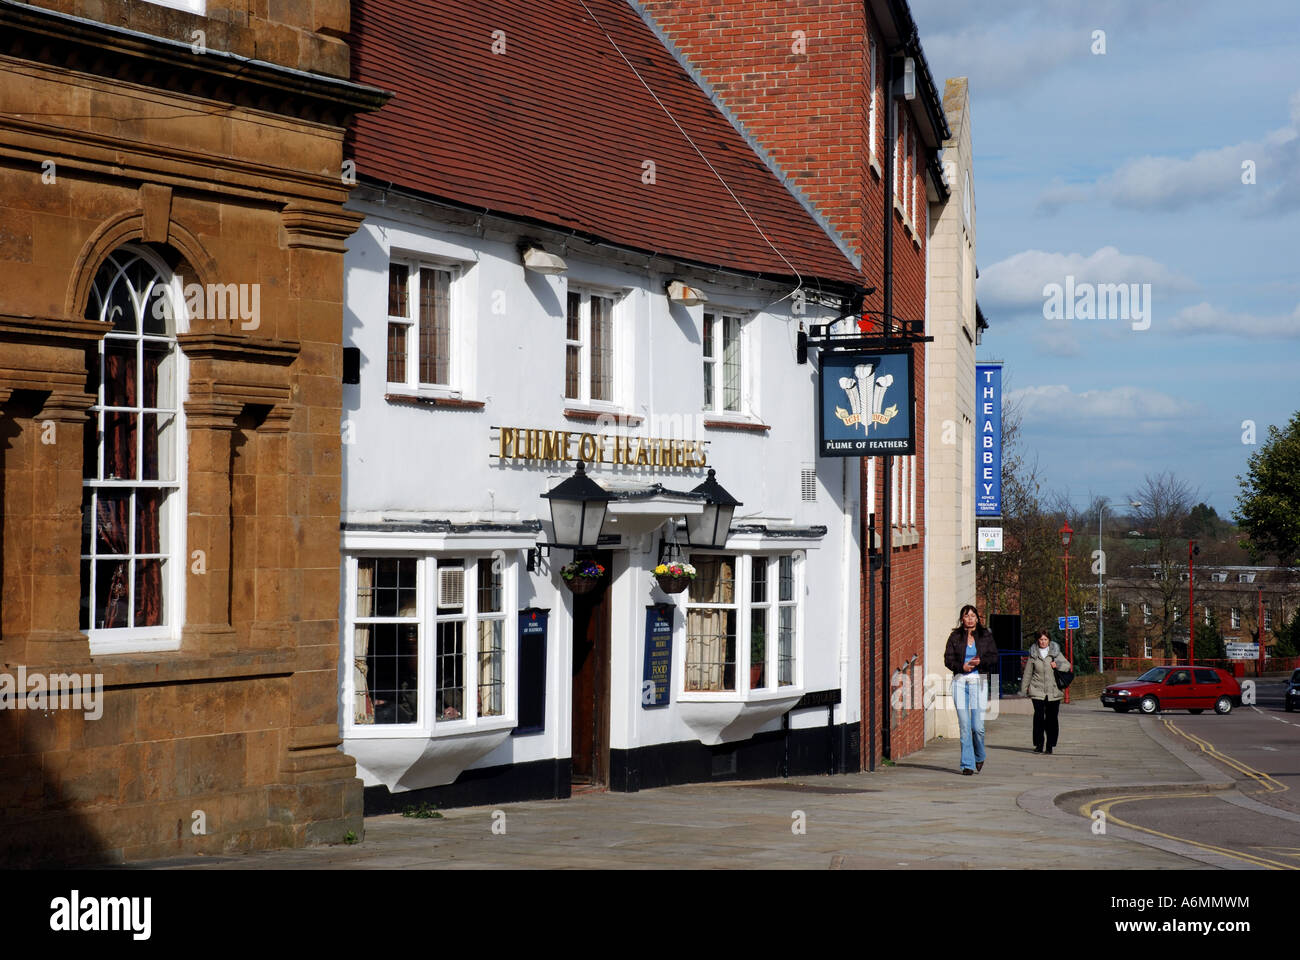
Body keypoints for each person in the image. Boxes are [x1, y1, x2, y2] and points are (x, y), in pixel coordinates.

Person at [944, 604, 999, 775]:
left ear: (977, 618)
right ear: (962, 618)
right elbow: (948, 659)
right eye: (966, 616)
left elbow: (994, 657)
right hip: (960, 682)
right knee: (964, 725)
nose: (969, 619)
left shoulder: (985, 635)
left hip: (979, 681)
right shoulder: (955, 636)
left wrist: (979, 662)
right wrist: (962, 667)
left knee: (977, 727)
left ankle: (980, 755)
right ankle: (967, 764)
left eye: (972, 615)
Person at [1019, 630, 1070, 754]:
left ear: (1049, 640)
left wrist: (1056, 665)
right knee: (1039, 718)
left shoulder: (1055, 653)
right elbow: (1027, 673)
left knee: (1052, 719)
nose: (1043, 642)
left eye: (1045, 639)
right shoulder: (1033, 654)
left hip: (1054, 692)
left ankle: (1050, 745)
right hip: (1037, 691)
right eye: (1041, 639)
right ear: (1038, 640)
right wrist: (1023, 689)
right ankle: (1039, 744)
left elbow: (1067, 665)